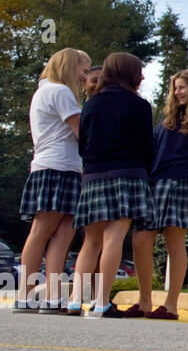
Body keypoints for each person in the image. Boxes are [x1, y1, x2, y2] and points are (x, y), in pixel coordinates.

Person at [128, 69, 188, 319]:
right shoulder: (167, 116)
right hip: (155, 182)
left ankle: (171, 305)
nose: (177, 93)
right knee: (140, 239)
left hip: (184, 183)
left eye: (182, 87)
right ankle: (144, 301)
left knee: (175, 243)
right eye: (175, 88)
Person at [72, 52, 157, 317]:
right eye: (138, 71)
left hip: (94, 175)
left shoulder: (91, 104)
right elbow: (148, 146)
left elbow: (83, 143)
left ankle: (75, 300)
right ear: (128, 73)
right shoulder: (139, 105)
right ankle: (100, 303)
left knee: (90, 241)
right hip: (128, 173)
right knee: (114, 238)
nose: (142, 76)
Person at [18, 48, 90, 312]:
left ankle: (42, 296)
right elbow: (82, 132)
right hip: (58, 167)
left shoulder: (43, 92)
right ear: (71, 66)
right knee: (46, 233)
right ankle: (35, 296)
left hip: (57, 166)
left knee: (57, 233)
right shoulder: (60, 92)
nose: (85, 76)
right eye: (83, 69)